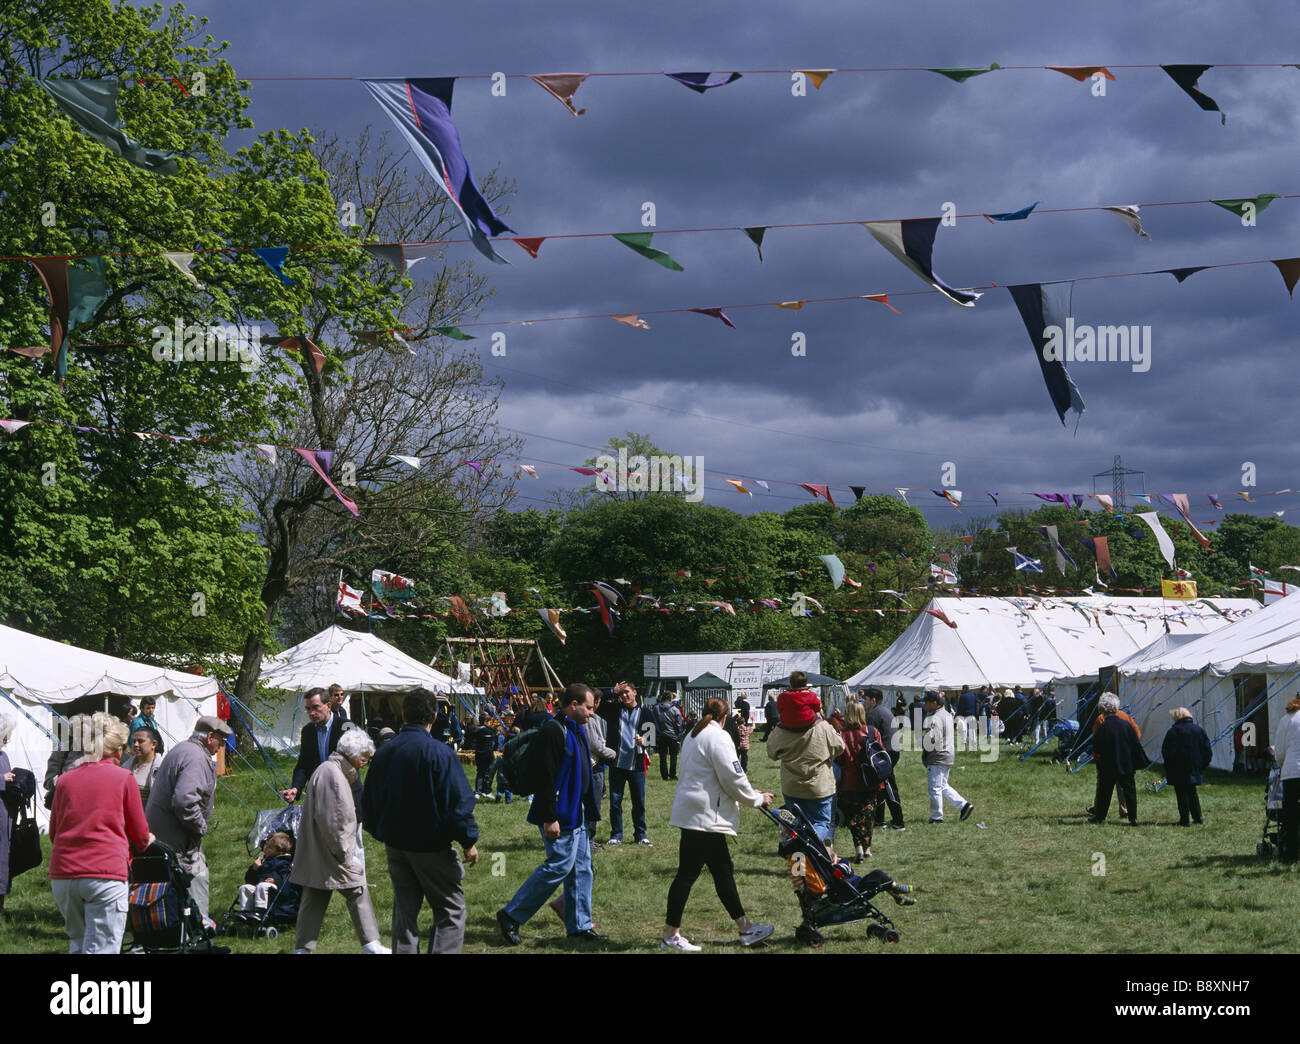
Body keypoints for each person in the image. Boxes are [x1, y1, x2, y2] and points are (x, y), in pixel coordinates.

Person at [363, 689, 479, 954]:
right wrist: (468, 840)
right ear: (435, 716)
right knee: (450, 909)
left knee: (404, 911)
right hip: (431, 845)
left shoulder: (384, 752)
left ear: (403, 714)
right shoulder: (439, 753)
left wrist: (379, 831)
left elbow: (369, 799)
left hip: (396, 844)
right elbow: (457, 803)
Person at [660, 697, 775, 952]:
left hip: (695, 813)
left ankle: (745, 927)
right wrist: (757, 798)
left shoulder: (693, 734)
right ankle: (671, 935)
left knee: (721, 871)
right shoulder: (719, 737)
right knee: (689, 875)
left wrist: (748, 792)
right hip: (706, 817)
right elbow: (733, 776)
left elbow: (714, 776)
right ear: (725, 718)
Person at [497, 683, 605, 946]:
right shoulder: (553, 731)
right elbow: (544, 778)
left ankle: (579, 925)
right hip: (559, 813)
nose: (592, 712)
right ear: (573, 705)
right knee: (559, 866)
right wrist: (549, 817)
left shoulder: (576, 728)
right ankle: (511, 914)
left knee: (581, 869)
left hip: (575, 812)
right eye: (589, 707)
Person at [48, 713, 154, 953]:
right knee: (103, 947)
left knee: (78, 943)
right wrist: (148, 840)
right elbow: (141, 836)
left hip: (64, 874)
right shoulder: (124, 777)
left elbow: (54, 833)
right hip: (105, 873)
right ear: (117, 751)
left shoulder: (65, 780)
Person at [291, 726, 389, 953]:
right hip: (331, 851)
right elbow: (336, 822)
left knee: (315, 895)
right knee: (357, 887)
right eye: (364, 757)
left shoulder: (330, 770)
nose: (365, 761)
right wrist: (346, 855)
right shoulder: (334, 776)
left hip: (319, 850)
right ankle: (371, 944)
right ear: (353, 754)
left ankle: (303, 948)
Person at [146, 715, 229, 920]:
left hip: (161, 834)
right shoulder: (196, 757)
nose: (222, 746)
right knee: (198, 876)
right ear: (210, 737)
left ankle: (173, 929)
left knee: (169, 887)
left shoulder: (183, 749)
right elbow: (184, 801)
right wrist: (200, 826)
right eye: (221, 740)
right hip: (175, 838)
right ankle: (199, 933)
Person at [766, 675, 844, 848]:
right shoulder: (821, 726)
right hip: (819, 786)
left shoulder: (780, 729)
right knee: (822, 823)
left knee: (798, 821)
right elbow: (840, 748)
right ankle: (811, 848)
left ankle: (796, 840)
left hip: (792, 785)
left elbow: (771, 753)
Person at [597, 680, 655, 846]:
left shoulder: (646, 713)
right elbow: (598, 706)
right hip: (617, 764)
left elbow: (652, 737)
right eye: (621, 693)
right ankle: (616, 834)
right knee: (615, 802)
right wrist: (611, 691)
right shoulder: (614, 709)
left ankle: (641, 834)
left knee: (639, 802)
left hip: (636, 764)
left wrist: (644, 740)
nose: (624, 695)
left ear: (635, 692)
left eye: (627, 692)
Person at [836, 700, 885, 862]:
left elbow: (839, 759)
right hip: (870, 779)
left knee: (852, 815)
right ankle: (868, 847)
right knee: (869, 814)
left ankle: (858, 847)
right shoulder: (873, 731)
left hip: (850, 780)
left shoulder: (841, 734)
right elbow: (881, 753)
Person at [1087, 694, 1146, 826]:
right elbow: (1136, 742)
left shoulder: (1103, 726)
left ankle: (1100, 817)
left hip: (1108, 765)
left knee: (1104, 793)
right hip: (1126, 764)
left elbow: (1097, 747)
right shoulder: (1126, 724)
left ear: (1103, 708)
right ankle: (1133, 818)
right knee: (1130, 791)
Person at [281, 688, 343, 804]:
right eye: (308, 709)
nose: (311, 713)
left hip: (344, 792)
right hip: (319, 794)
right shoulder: (307, 731)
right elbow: (303, 764)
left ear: (328, 706)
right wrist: (295, 788)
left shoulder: (345, 727)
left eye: (315, 707)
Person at [922, 691, 973, 824]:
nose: (924, 704)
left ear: (934, 703)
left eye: (927, 702)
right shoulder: (947, 714)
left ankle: (936, 817)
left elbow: (933, 738)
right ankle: (964, 806)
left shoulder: (936, 717)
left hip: (938, 756)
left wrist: (923, 741)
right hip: (948, 754)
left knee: (935, 788)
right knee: (942, 786)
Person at [1161, 707, 1213, 827]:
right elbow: (1207, 751)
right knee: (1192, 792)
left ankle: (1184, 819)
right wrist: (1202, 765)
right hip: (1195, 766)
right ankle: (1198, 816)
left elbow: (1167, 751)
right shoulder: (1199, 730)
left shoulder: (1173, 731)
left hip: (1178, 767)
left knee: (1181, 793)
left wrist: (1169, 766)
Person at [863, 688, 905, 830]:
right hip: (891, 751)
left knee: (888, 786)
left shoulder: (873, 714)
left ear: (873, 700)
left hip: (886, 753)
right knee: (879, 785)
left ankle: (899, 821)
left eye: (866, 699)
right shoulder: (884, 710)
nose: (864, 702)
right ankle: (880, 820)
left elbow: (867, 736)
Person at [235, 832, 299, 921]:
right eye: (266, 845)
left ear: (280, 852)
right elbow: (249, 880)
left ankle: (260, 911)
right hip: (260, 887)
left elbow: (285, 879)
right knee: (245, 887)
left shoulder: (284, 863)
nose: (265, 848)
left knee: (262, 886)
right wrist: (254, 869)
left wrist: (275, 880)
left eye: (269, 847)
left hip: (275, 889)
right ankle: (245, 911)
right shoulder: (264, 860)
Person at [1272, 694, 1300, 861]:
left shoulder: (1286, 720)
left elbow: (1279, 752)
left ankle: (1292, 853)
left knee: (1291, 816)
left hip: (1291, 772)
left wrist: (1281, 765)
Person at [44, 712, 91, 811]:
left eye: (84, 734)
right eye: (77, 735)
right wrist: (65, 781)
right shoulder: (63, 750)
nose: (81, 739)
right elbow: (48, 781)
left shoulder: (99, 753)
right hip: (65, 806)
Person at [121, 726, 164, 808]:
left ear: (153, 744)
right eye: (134, 741)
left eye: (140, 741)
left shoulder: (162, 769)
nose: (136, 745)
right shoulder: (126, 767)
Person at [0, 713, 17, 917]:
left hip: (4, 816)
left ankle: (1, 906)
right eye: (6, 735)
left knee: (3, 861)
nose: (8, 739)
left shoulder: (3, 755)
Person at [653, 694, 684, 781]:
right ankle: (672, 774)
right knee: (673, 756)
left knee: (662, 756)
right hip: (672, 735)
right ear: (670, 699)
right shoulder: (675, 709)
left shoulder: (656, 708)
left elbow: (653, 721)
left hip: (661, 735)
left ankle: (664, 775)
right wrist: (679, 735)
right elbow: (679, 724)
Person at [955, 685, 979, 752]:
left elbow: (960, 707)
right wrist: (976, 715)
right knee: (972, 732)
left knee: (963, 732)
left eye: (962, 689)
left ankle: (963, 747)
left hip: (964, 716)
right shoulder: (974, 696)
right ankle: (974, 748)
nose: (961, 690)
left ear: (964, 689)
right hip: (972, 715)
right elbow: (977, 705)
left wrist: (957, 715)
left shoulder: (963, 696)